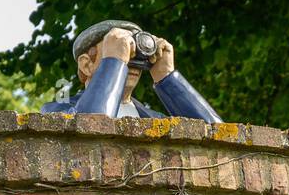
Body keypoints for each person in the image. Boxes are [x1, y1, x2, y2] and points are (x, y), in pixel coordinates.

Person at [39, 19, 222, 122]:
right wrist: (115, 62)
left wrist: (167, 77)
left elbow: (220, 142)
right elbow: (90, 128)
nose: (130, 59)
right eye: (121, 48)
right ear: (86, 64)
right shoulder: (57, 112)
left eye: (133, 49)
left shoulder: (155, 120)